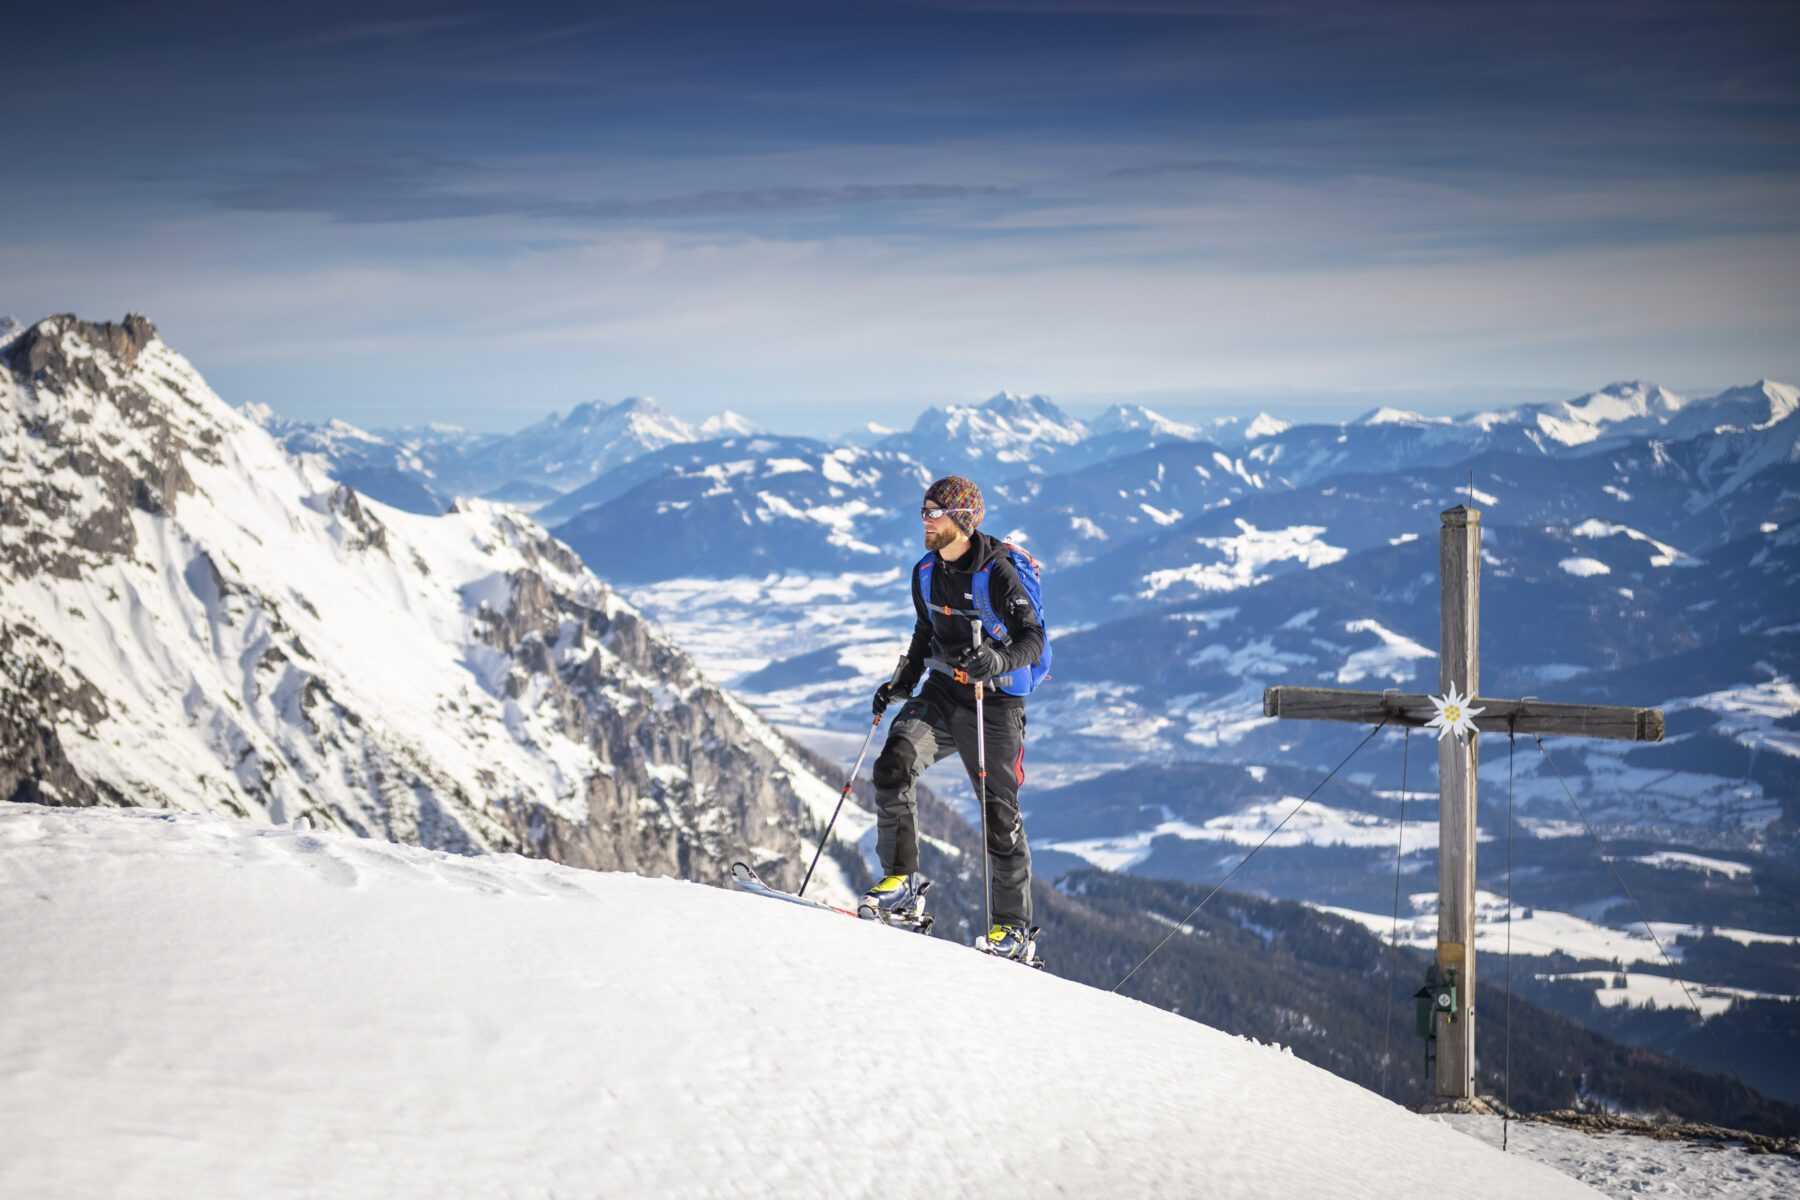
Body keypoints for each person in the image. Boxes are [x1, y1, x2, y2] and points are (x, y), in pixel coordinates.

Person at [864, 475, 1044, 958]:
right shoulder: (925, 571)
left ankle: (1013, 930)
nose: (925, 520)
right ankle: (900, 882)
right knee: (892, 765)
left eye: (934, 512)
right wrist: (901, 683)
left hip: (995, 703)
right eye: (923, 510)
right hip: (943, 692)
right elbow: (926, 633)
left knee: (999, 816)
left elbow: (1033, 639)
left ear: (961, 520)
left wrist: (998, 661)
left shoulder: (997, 573)